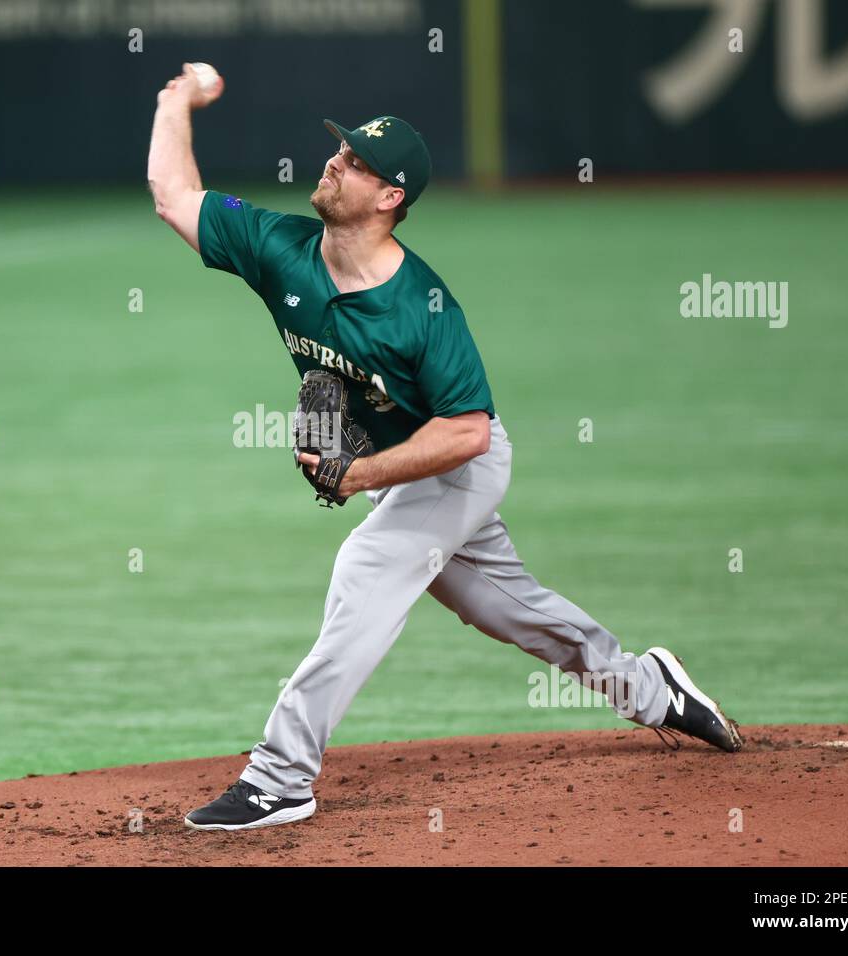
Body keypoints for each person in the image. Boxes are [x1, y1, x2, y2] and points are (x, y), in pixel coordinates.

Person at [147, 64, 743, 832]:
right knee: (511, 611)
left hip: (461, 464)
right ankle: (653, 689)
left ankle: (280, 775)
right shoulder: (277, 246)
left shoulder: (423, 308)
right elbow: (174, 195)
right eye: (341, 150)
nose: (334, 162)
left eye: (358, 162)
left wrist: (360, 472)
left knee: (367, 570)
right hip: (410, 471)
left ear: (390, 198)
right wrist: (175, 101)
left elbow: (468, 431)